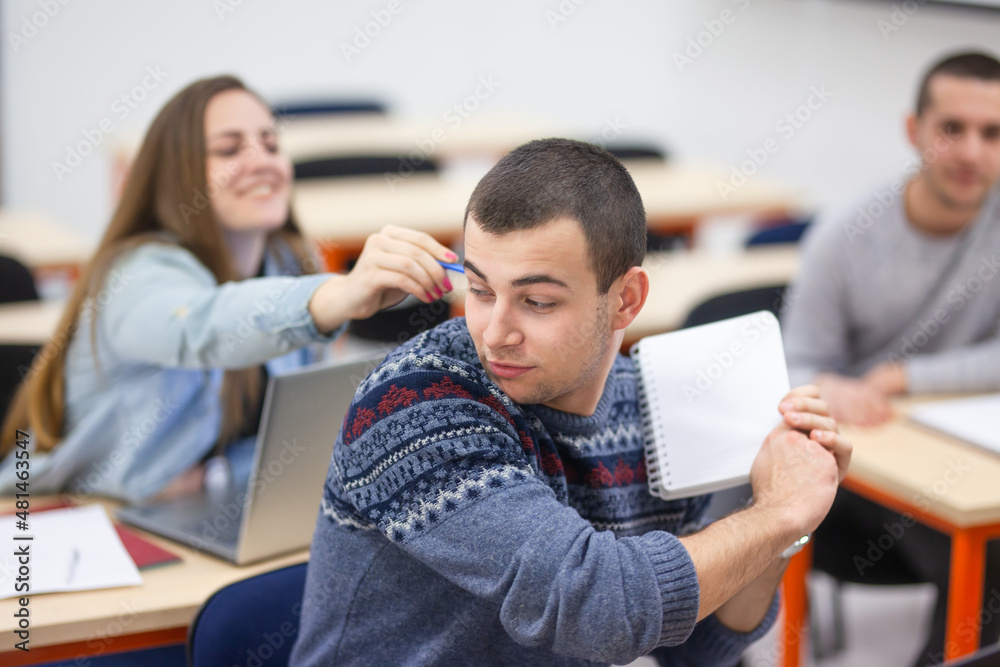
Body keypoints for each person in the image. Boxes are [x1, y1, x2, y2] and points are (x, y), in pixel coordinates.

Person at [291, 138, 851, 666]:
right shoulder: (416, 403)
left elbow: (698, 646)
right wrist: (779, 512)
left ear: (626, 299)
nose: (494, 333)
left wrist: (784, 513)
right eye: (481, 290)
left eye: (536, 301)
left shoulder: (648, 407)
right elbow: (596, 605)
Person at [0, 75, 457, 504]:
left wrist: (219, 477)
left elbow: (299, 440)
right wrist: (335, 296)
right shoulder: (132, 278)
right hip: (80, 515)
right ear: (178, 172)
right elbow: (201, 326)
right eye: (229, 148)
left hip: (211, 508)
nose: (262, 160)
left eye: (271, 143)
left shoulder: (289, 262)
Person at [781, 52, 1000, 666]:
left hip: (963, 450)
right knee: (990, 575)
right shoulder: (846, 236)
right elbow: (794, 365)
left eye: (993, 133)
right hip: (863, 474)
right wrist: (832, 385)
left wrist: (902, 377)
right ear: (915, 132)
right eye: (952, 128)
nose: (972, 153)